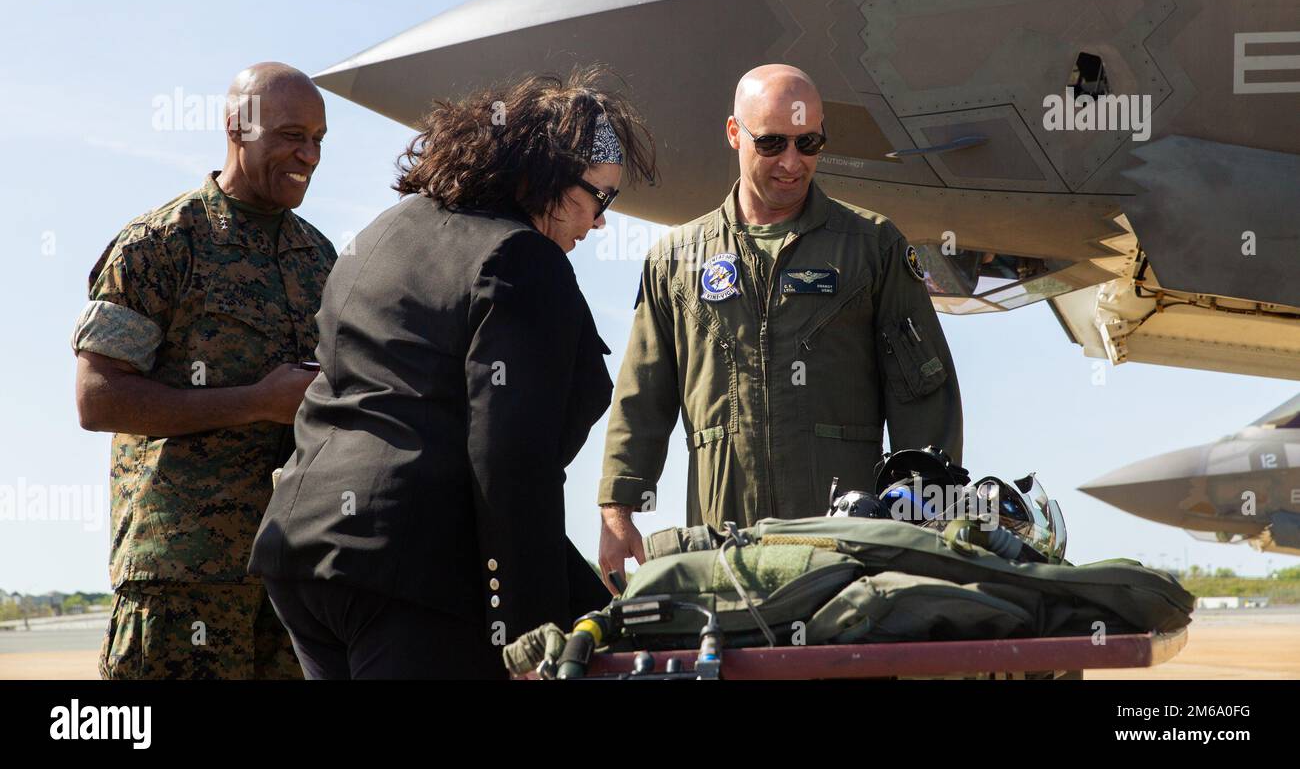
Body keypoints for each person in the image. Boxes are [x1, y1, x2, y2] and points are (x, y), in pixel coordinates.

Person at [248, 68, 656, 679]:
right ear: (547, 177)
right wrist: (533, 637)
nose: (600, 222)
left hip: (302, 553)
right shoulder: (521, 258)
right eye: (601, 197)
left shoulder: (384, 230)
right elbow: (509, 463)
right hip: (408, 572)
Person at [597, 64, 962, 592]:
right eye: (770, 143)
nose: (792, 163)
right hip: (724, 553)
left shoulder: (871, 247)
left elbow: (923, 392)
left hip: (844, 554)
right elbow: (641, 399)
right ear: (733, 134)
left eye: (808, 142)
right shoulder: (676, 262)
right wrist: (617, 511)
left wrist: (926, 518)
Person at [73, 62, 336, 678]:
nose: (309, 155)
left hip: (292, 581)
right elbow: (97, 398)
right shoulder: (160, 244)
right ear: (237, 128)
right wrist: (256, 401)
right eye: (292, 135)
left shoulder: (323, 259)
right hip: (180, 580)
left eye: (319, 140)